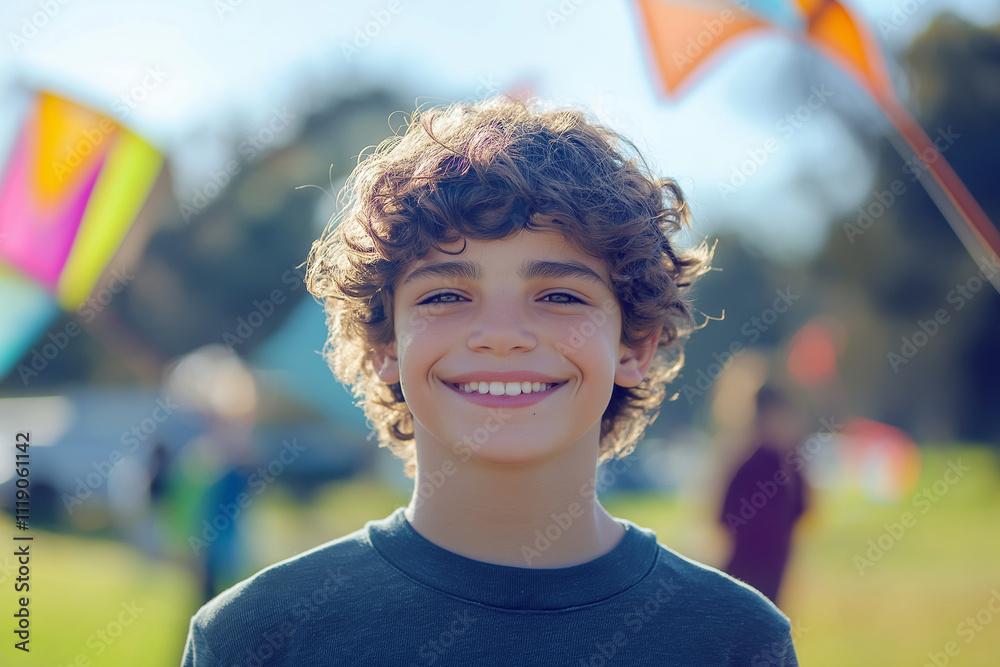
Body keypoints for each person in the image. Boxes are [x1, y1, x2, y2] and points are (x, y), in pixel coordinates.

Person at [181, 96, 799, 665]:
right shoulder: (255, 638)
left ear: (633, 345)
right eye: (448, 293)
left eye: (558, 294)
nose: (502, 334)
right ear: (383, 346)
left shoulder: (737, 640)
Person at [720, 384, 810, 606]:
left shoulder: (788, 460)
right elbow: (725, 515)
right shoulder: (751, 461)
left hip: (775, 562)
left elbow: (802, 508)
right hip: (748, 564)